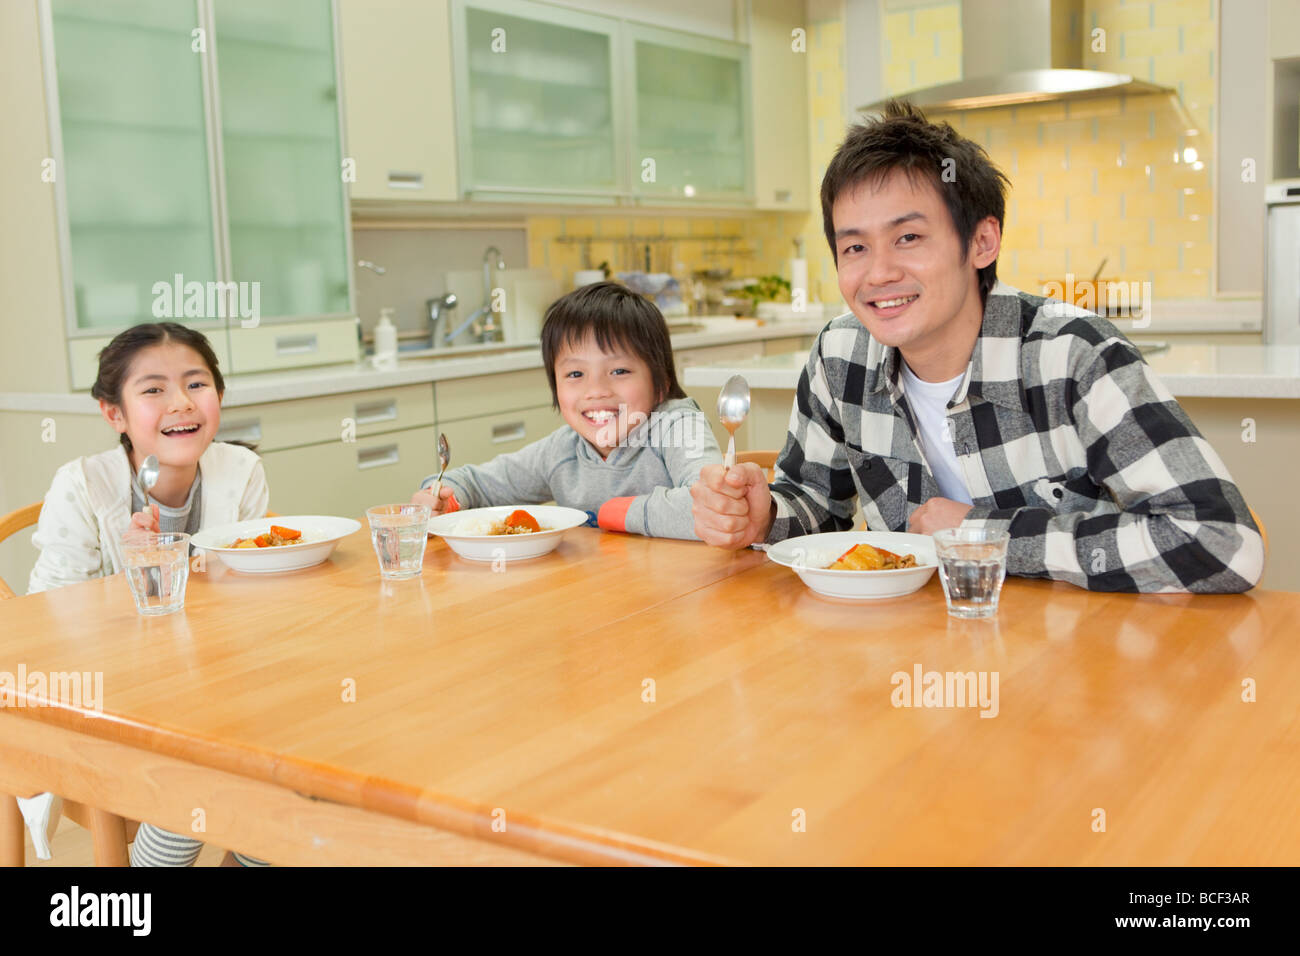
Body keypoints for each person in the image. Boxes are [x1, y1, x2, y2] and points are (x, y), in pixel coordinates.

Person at [691, 100, 1264, 593]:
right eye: (855, 248)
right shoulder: (842, 355)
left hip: (1087, 668)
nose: (878, 273)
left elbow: (1222, 541)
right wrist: (763, 514)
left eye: (908, 237)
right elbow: (818, 507)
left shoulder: (1074, 356)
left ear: (982, 242)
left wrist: (979, 534)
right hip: (913, 661)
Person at [25, 322, 271, 865]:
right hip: (108, 697)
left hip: (218, 682)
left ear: (219, 397)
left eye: (196, 384)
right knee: (207, 763)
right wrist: (131, 578)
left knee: (293, 754)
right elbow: (48, 625)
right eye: (154, 389)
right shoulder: (82, 487)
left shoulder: (239, 471)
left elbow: (253, 594)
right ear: (113, 413)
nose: (181, 402)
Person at [413, 281, 719, 538]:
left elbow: (711, 506)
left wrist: (615, 512)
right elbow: (478, 484)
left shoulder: (678, 426)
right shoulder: (563, 450)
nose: (596, 390)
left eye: (619, 370)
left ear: (661, 382)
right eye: (575, 374)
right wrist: (444, 499)